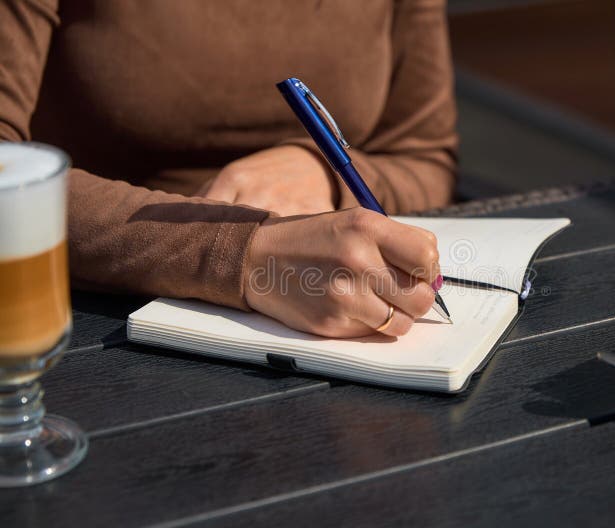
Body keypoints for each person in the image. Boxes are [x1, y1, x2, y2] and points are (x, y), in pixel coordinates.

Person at [0, 0, 457, 337]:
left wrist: (322, 172)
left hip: (329, 309)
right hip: (94, 319)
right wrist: (237, 251)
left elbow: (424, 155)